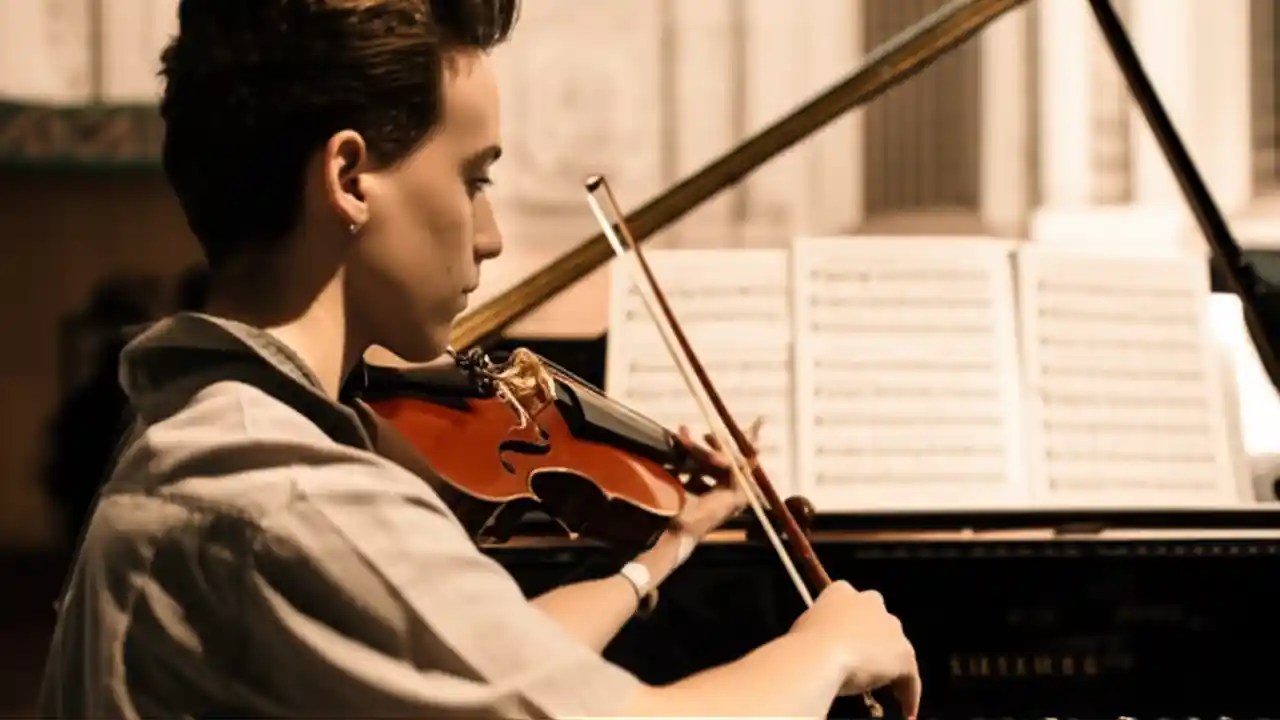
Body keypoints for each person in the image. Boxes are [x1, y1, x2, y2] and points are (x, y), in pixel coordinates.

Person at [38, 1, 922, 718]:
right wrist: (828, 649)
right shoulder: (288, 496)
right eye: (473, 178)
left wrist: (664, 548)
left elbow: (495, 666)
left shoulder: (208, 440)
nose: (491, 235)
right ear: (349, 179)